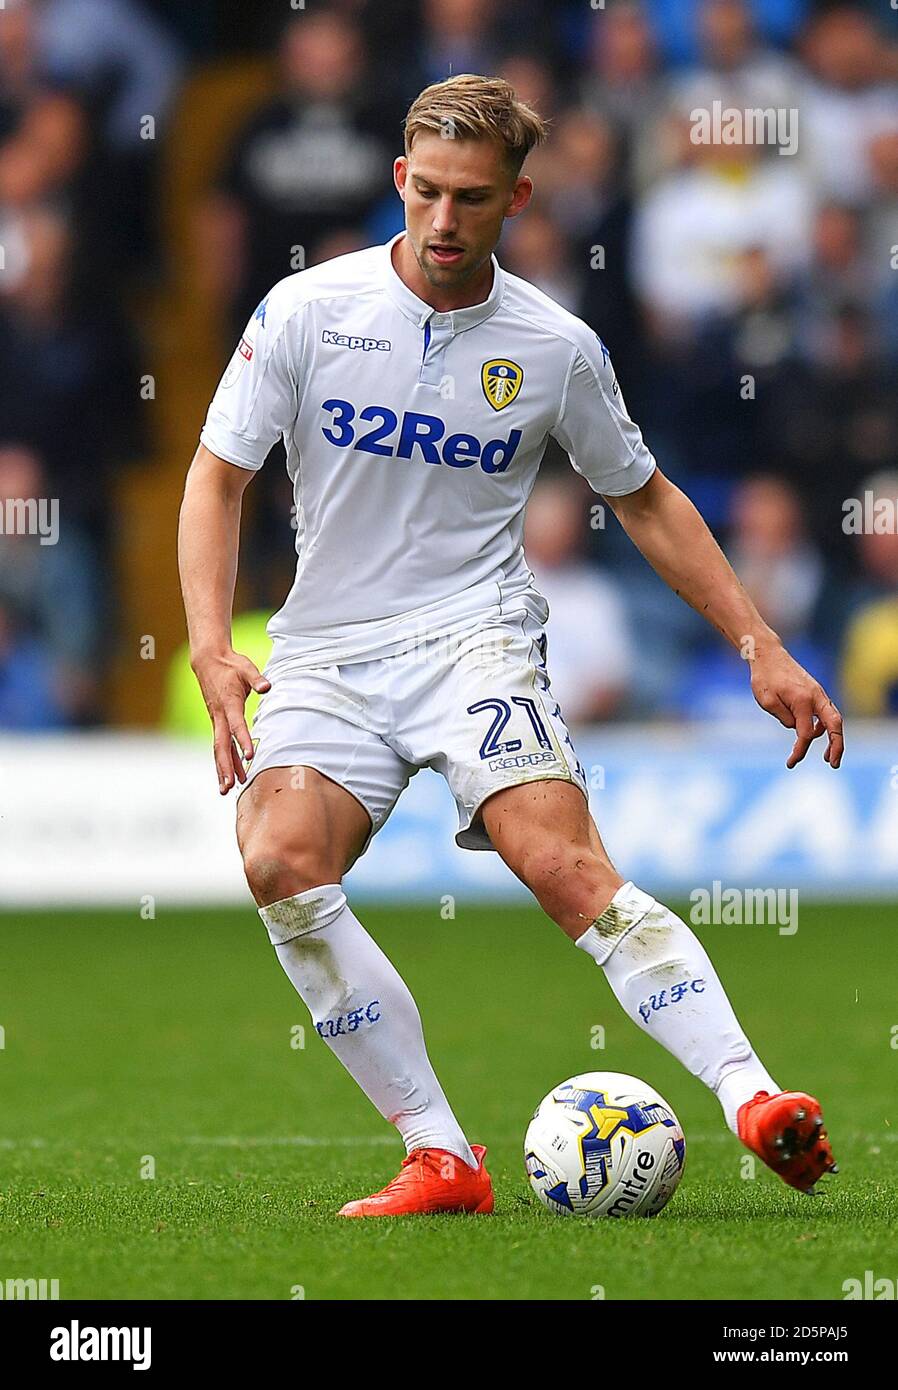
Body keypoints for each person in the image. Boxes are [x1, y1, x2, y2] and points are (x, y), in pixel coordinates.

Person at [179, 75, 841, 1218]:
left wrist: (758, 643)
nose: (442, 221)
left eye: (471, 199)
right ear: (399, 179)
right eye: (426, 192)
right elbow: (216, 476)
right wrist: (207, 645)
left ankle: (753, 1096)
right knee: (281, 861)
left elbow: (643, 499)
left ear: (516, 199)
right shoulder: (304, 311)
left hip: (473, 639)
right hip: (329, 652)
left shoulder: (554, 346)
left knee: (559, 862)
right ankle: (442, 1155)